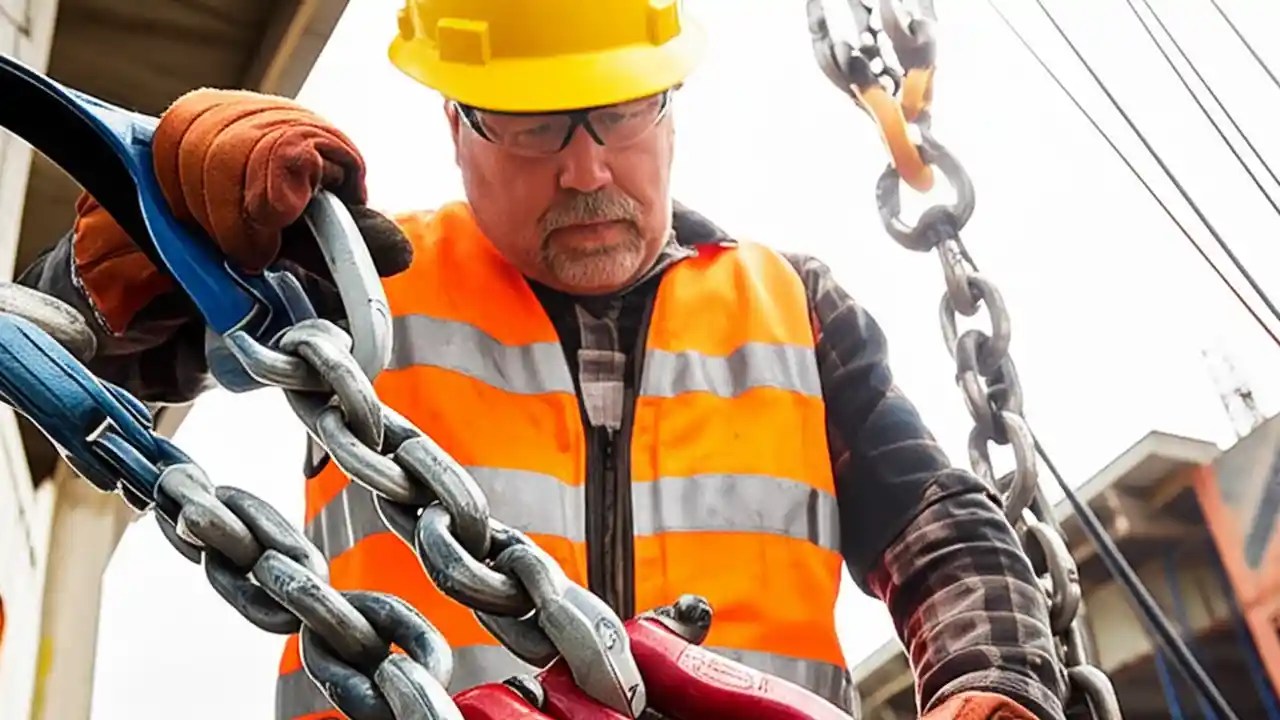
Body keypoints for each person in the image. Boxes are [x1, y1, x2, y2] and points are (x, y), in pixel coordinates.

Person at [18, 2, 1068, 719]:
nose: (583, 164)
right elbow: (67, 353)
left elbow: (941, 525)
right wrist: (154, 237)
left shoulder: (792, 306)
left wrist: (993, 684)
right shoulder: (358, 281)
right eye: (527, 123)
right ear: (455, 122)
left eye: (618, 109)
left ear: (669, 103)